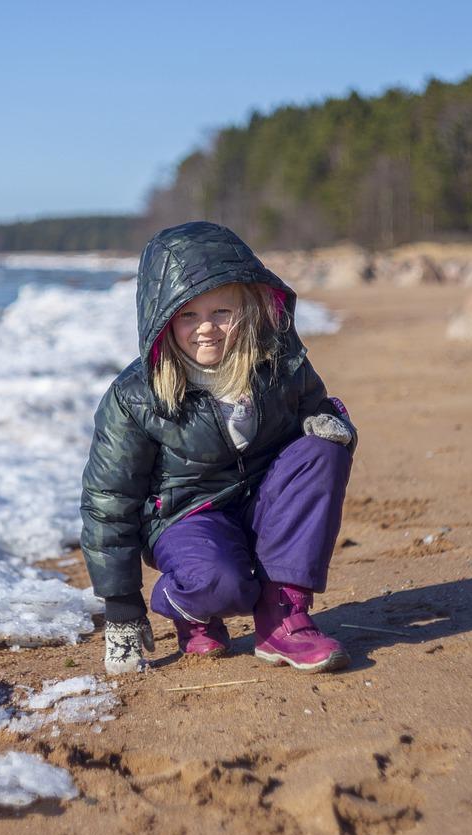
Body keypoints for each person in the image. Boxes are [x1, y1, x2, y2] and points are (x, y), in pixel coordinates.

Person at [80, 221, 357, 676]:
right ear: (162, 321)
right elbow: (109, 502)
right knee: (223, 583)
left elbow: (318, 411)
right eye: (188, 315)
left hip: (263, 505)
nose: (205, 329)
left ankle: (283, 618)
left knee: (322, 447)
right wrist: (122, 605)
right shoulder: (134, 397)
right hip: (187, 517)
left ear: (247, 309)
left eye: (221, 312)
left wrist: (334, 426)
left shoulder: (278, 363)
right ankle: (185, 603)